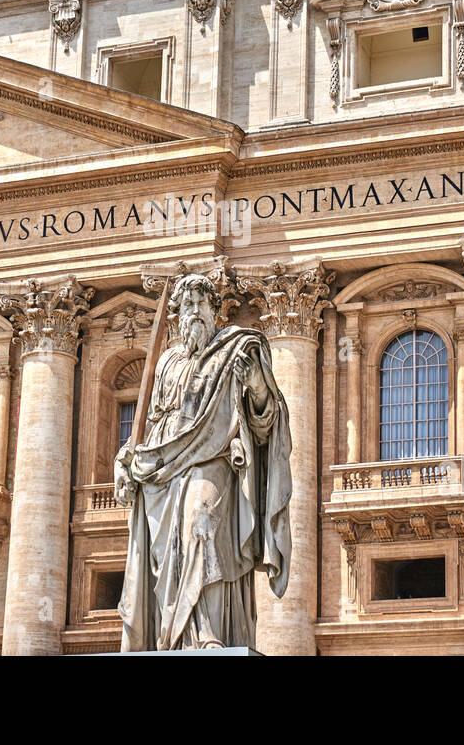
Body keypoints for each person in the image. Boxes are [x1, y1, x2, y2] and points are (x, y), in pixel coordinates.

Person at [114, 273, 292, 651]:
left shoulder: (238, 349)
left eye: (201, 304)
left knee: (202, 521)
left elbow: (265, 425)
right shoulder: (167, 363)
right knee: (168, 552)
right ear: (177, 315)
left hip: (214, 458)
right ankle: (172, 636)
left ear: (215, 310)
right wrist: (126, 459)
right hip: (162, 468)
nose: (194, 312)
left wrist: (257, 385)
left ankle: (207, 632)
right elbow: (150, 421)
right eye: (187, 306)